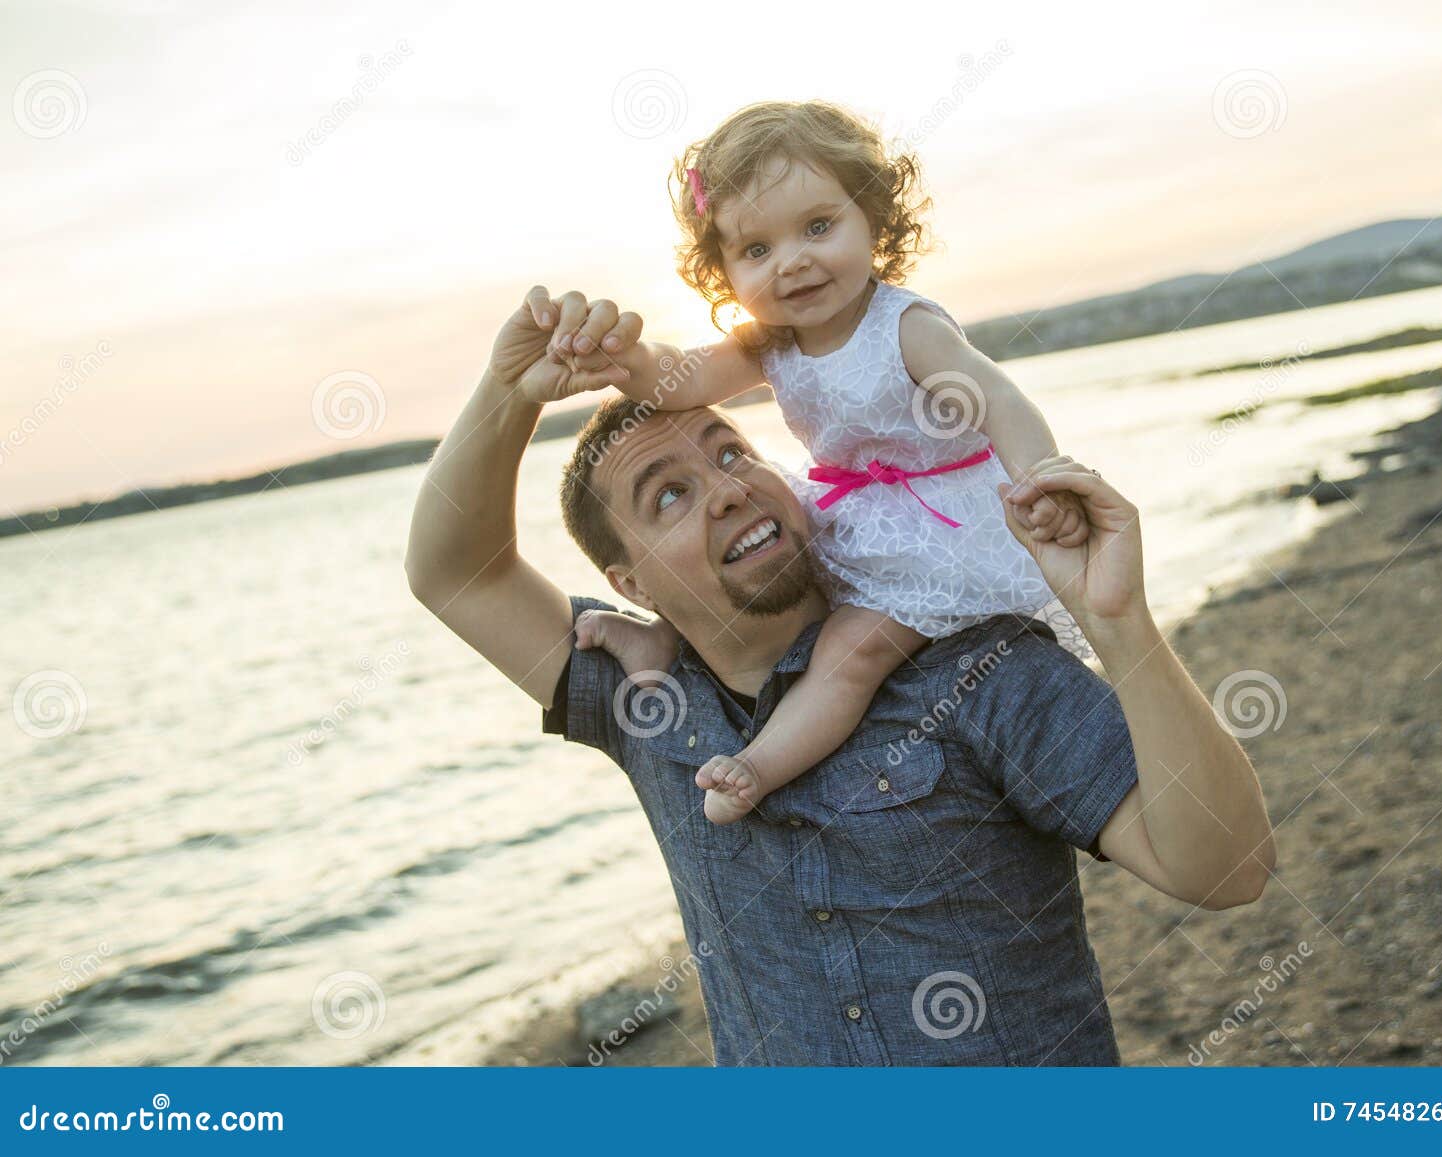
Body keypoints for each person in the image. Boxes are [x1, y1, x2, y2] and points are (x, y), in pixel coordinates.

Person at [404, 285, 1277, 1065]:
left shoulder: (979, 663)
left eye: (730, 453)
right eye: (669, 495)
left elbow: (1225, 868)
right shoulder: (647, 701)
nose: (727, 490)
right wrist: (508, 388)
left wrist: (1121, 625)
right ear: (630, 586)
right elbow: (455, 573)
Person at [556, 100, 1093, 826]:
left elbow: (998, 399)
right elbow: (680, 378)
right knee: (748, 576)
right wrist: (628, 358)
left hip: (941, 521)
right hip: (853, 510)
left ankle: (757, 767)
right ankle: (666, 638)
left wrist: (1042, 479)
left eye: (817, 227)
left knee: (849, 649)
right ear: (725, 272)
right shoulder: (769, 341)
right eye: (757, 250)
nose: (793, 261)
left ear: (872, 218)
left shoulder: (904, 327)